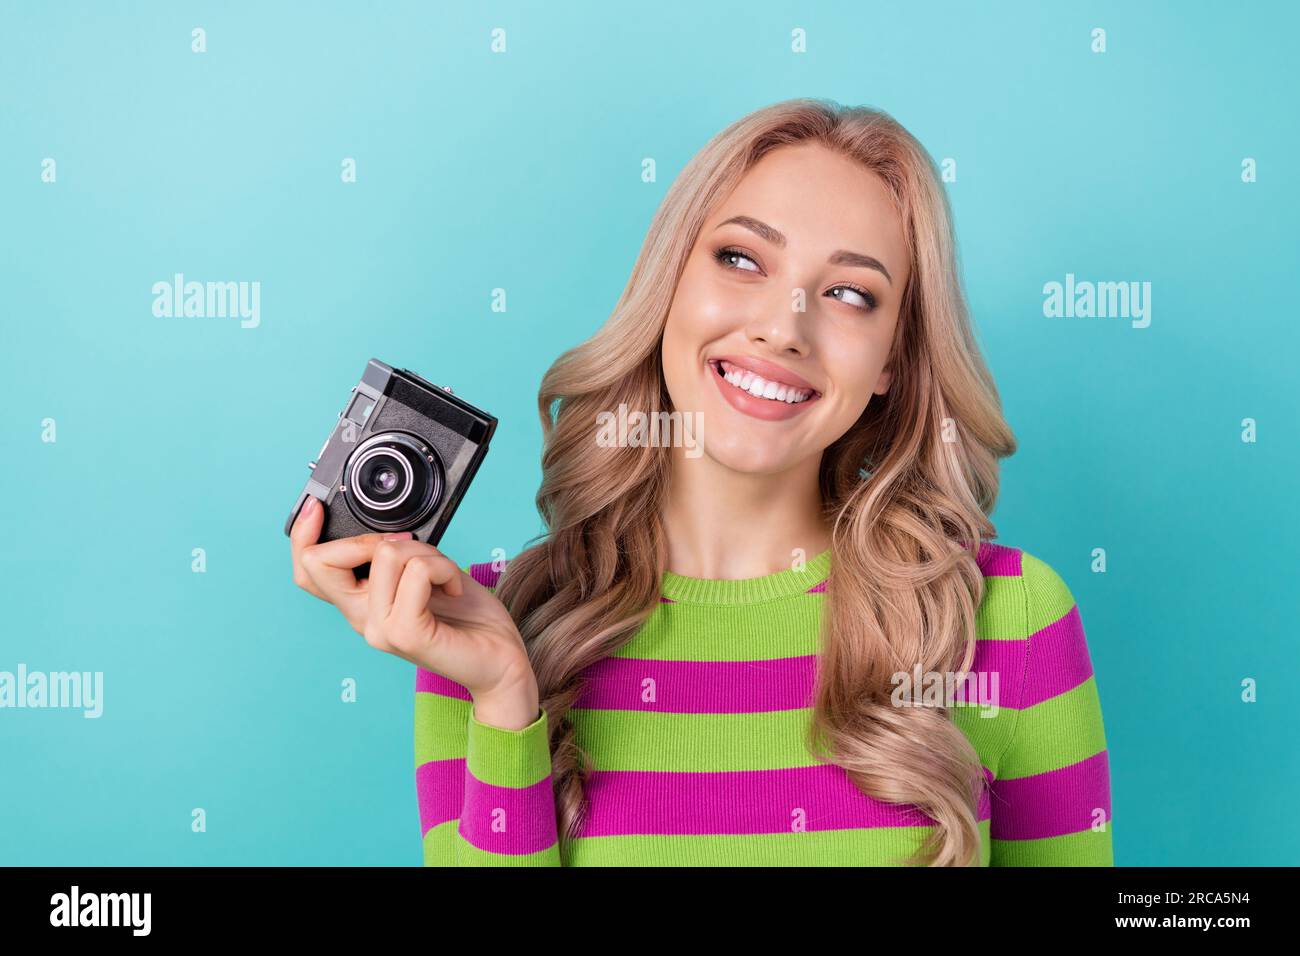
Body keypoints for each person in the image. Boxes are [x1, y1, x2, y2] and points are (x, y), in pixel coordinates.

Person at [290, 97, 1113, 867]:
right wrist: (507, 694)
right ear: (669, 288)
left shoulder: (1008, 622)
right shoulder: (482, 631)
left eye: (850, 293)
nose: (783, 328)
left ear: (892, 360)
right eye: (741, 259)